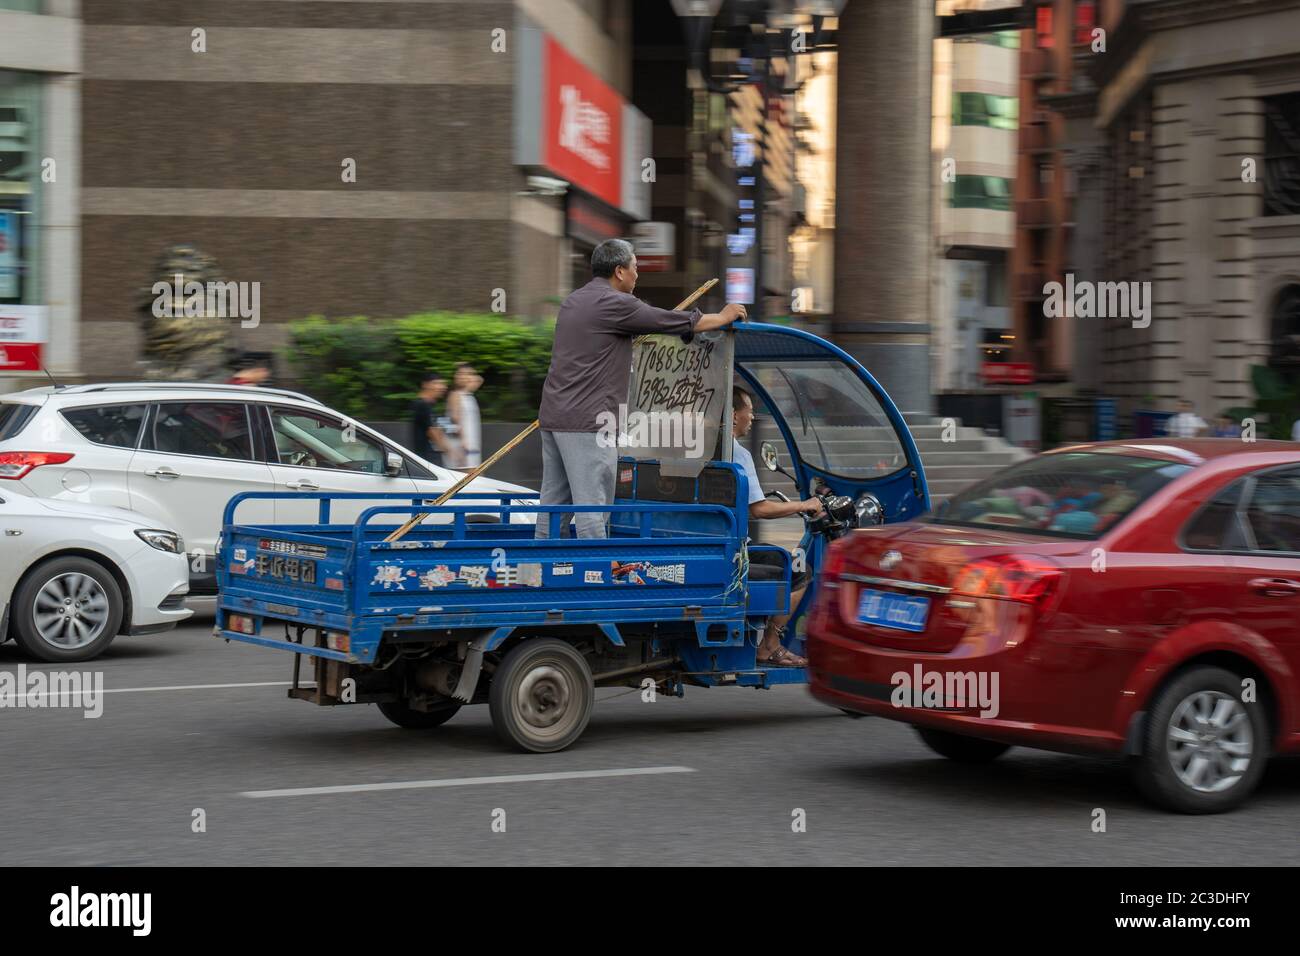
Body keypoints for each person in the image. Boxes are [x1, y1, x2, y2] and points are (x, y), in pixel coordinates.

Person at [535, 238, 747, 539]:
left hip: (554, 417)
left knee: (553, 505)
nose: (638, 274)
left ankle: (536, 575)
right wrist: (722, 317)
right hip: (589, 422)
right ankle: (595, 580)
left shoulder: (574, 300)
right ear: (620, 271)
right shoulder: (614, 303)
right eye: (635, 267)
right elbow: (667, 320)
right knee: (592, 507)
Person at [731, 386, 824, 667]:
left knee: (776, 556)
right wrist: (804, 505)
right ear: (734, 416)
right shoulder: (738, 454)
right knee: (798, 570)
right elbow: (758, 509)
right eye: (749, 409)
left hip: (721, 544)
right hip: (734, 553)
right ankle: (769, 645)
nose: (753, 416)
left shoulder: (702, 448)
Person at [410, 373, 451, 467]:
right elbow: (433, 432)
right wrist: (450, 452)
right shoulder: (422, 405)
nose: (442, 387)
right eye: (437, 383)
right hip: (428, 460)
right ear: (425, 385)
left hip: (428, 460)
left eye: (443, 384)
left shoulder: (427, 405)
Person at [448, 362, 483, 468]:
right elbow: (455, 419)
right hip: (463, 446)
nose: (463, 376)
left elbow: (480, 379)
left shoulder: (468, 394)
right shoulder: (455, 395)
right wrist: (463, 442)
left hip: (472, 444)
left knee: (475, 478)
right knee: (470, 478)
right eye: (460, 374)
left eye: (466, 374)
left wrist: (465, 367)